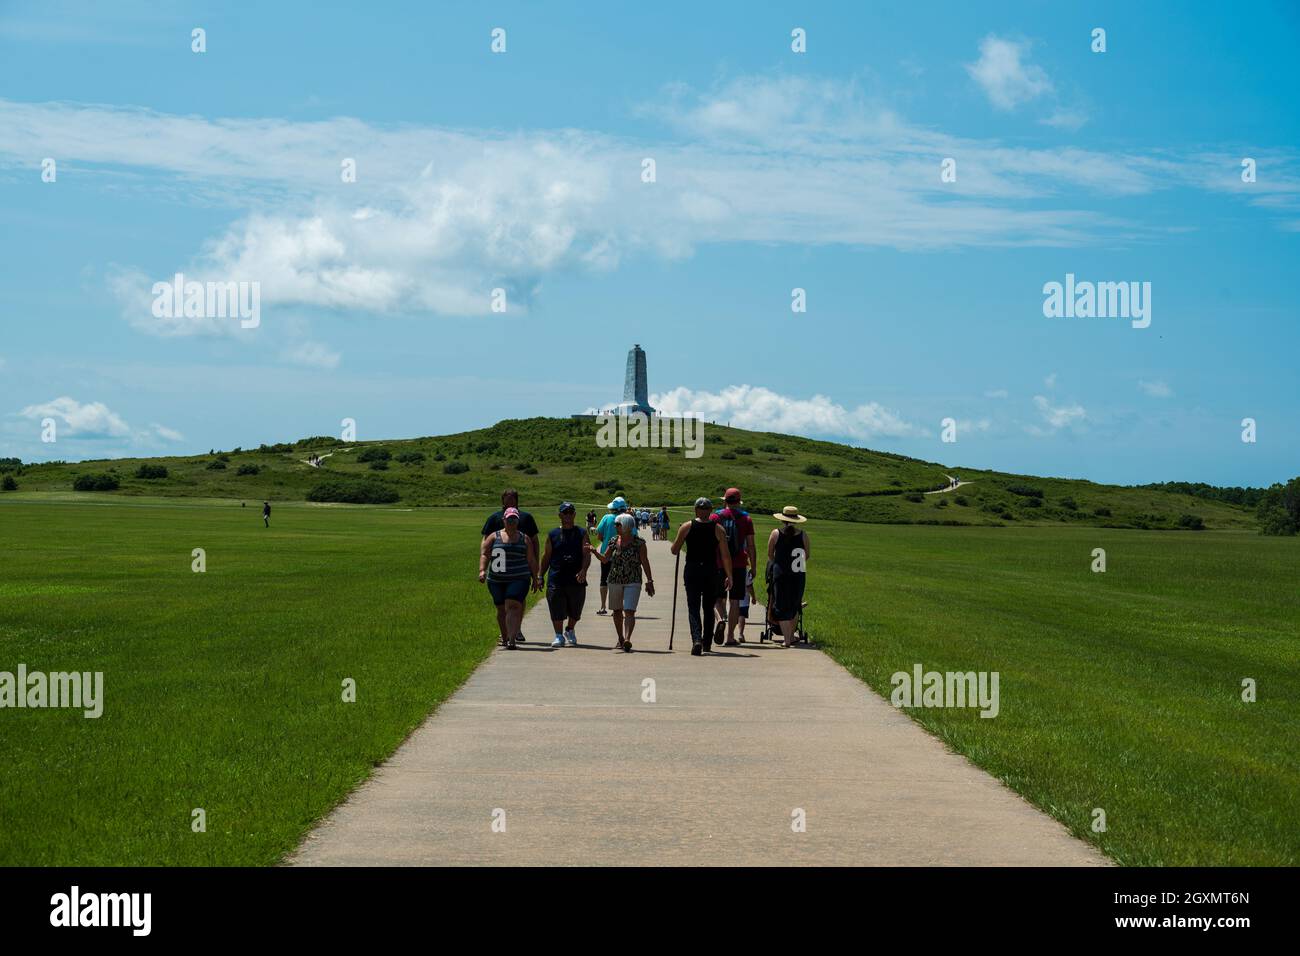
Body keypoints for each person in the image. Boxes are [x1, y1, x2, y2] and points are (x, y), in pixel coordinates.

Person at [670, 497, 733, 656]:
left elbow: (674, 550)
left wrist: (681, 534)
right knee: (708, 607)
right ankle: (706, 643)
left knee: (693, 606)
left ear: (696, 510)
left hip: (692, 569)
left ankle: (696, 639)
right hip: (711, 570)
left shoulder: (687, 526)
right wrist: (729, 575)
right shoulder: (718, 529)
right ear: (710, 511)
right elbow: (725, 556)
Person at [589, 512, 654, 652]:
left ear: (627, 526)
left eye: (618, 524)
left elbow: (645, 561)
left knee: (629, 610)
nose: (616, 526)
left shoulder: (639, 543)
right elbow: (605, 559)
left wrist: (650, 580)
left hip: (633, 579)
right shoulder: (613, 541)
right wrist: (594, 552)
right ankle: (620, 638)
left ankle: (628, 638)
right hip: (615, 579)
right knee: (617, 610)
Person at [482, 489, 540, 642]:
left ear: (517, 500)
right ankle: (506, 633)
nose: (509, 501)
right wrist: (483, 566)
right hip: (498, 572)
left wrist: (536, 570)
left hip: (520, 569)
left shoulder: (526, 518)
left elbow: (534, 542)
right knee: (503, 606)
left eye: (512, 499)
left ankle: (516, 631)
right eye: (506, 499)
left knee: (516, 601)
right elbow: (485, 541)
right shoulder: (494, 518)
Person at [537, 502, 591, 647]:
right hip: (556, 577)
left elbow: (586, 554)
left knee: (576, 610)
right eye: (564, 513)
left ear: (574, 515)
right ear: (560, 515)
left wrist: (584, 570)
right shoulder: (553, 534)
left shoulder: (581, 533)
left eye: (570, 512)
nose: (567, 515)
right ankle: (559, 635)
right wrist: (540, 575)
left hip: (576, 577)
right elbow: (546, 556)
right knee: (556, 607)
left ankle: (570, 629)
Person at [711, 488, 756, 647]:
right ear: (738, 501)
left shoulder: (716, 516)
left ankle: (720, 619)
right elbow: (750, 545)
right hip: (739, 563)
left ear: (725, 500)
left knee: (717, 598)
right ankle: (730, 636)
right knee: (735, 601)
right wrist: (754, 566)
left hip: (718, 562)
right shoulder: (746, 519)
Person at [766, 506, 809, 648]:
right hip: (798, 575)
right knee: (795, 605)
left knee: (781, 606)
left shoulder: (776, 533)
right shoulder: (803, 535)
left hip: (781, 574)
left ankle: (787, 639)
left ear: (782, 520)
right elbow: (806, 555)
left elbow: (770, 554)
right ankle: (791, 635)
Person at [593, 496, 634, 616]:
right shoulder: (628, 519)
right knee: (619, 581)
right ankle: (618, 608)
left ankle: (602, 606)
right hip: (623, 556)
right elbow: (633, 536)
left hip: (606, 553)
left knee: (604, 580)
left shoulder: (606, 518)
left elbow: (599, 536)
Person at [737, 568, 755, 643]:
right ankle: (740, 634)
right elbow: (749, 586)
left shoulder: (731, 568)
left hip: (733, 598)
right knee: (741, 615)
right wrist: (753, 597)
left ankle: (730, 634)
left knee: (735, 616)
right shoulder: (745, 571)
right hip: (743, 598)